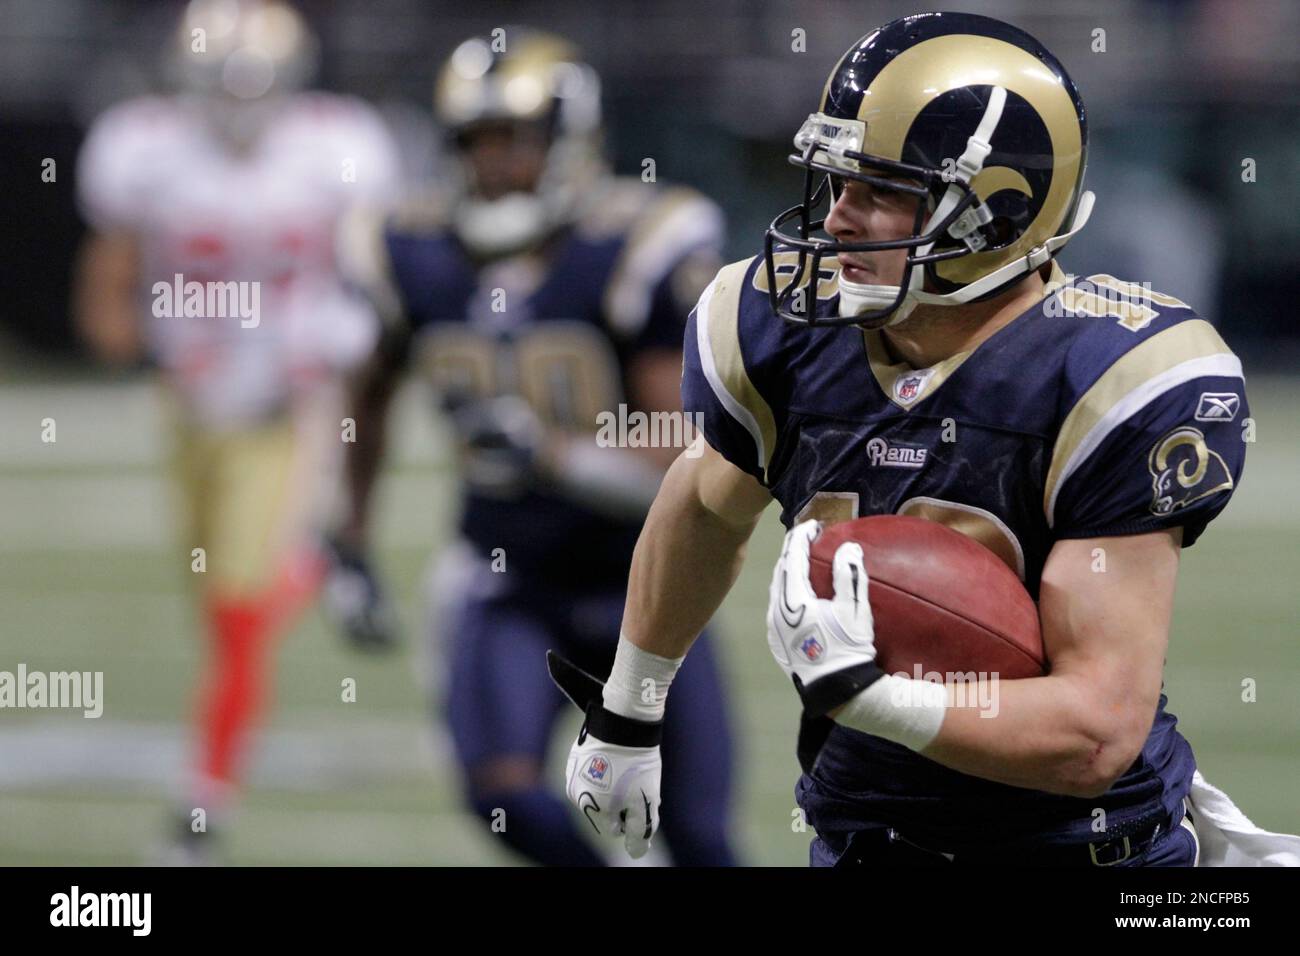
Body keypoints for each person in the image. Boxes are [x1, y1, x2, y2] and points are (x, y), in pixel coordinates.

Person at [551, 11, 1267, 867]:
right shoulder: (780, 330)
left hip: (1086, 851)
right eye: (836, 182)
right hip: (866, 839)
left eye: (883, 189)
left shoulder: (1112, 376)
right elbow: (705, 505)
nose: (840, 219)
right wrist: (630, 707)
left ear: (998, 213)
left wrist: (872, 697)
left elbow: (1094, 733)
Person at [336, 30, 738, 866]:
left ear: (568, 142)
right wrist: (349, 540)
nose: (491, 163)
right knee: (503, 801)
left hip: (647, 587)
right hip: (505, 576)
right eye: (473, 142)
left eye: (511, 140)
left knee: (699, 837)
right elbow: (365, 399)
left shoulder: (630, 248)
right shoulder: (413, 252)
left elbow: (686, 461)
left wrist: (554, 457)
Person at [74, 0, 400, 862]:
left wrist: (350, 355)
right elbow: (107, 284)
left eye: (255, 82)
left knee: (236, 613)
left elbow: (377, 270)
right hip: (192, 407)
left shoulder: (336, 147)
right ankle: (319, 564)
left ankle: (203, 802)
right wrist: (140, 349)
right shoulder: (145, 149)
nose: (238, 101)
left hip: (289, 404)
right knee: (214, 600)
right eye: (220, 80)